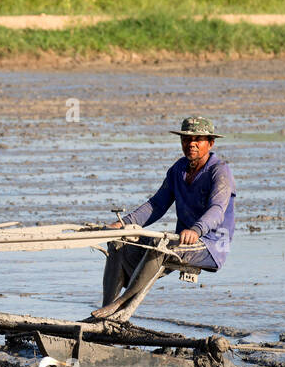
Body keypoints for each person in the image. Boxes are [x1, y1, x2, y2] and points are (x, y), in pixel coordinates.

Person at [91, 116, 235, 322]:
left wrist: (196, 230)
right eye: (186, 139)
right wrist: (123, 224)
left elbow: (217, 209)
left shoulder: (219, 171)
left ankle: (121, 304)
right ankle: (106, 312)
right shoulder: (178, 169)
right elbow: (156, 204)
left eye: (198, 139)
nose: (191, 144)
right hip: (182, 241)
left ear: (210, 143)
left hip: (211, 244)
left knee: (161, 245)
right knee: (118, 241)